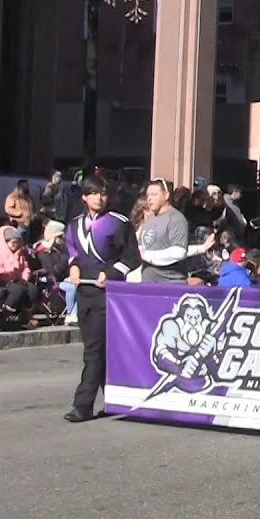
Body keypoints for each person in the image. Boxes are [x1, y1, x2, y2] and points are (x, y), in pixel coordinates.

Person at [63, 174, 141, 423]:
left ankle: (82, 405)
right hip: (84, 292)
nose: (99, 198)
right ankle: (117, 399)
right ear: (84, 197)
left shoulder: (119, 222)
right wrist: (73, 267)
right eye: (93, 193)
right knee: (98, 349)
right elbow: (72, 252)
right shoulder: (74, 224)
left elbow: (132, 258)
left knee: (94, 352)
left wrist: (110, 274)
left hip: (108, 294)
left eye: (103, 193)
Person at [138, 178, 191, 284]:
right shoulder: (149, 219)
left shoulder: (176, 218)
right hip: (148, 283)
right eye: (148, 195)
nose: (149, 199)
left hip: (169, 285)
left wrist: (148, 255)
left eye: (154, 194)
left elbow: (179, 252)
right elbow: (142, 246)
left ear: (166, 195)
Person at [0, 225, 38, 319]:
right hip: (5, 280)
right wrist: (13, 269)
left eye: (16, 242)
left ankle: (25, 311)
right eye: (12, 242)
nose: (14, 245)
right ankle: (5, 312)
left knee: (32, 289)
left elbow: (25, 268)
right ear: (5, 242)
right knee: (17, 289)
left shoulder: (20, 254)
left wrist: (25, 275)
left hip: (19, 280)